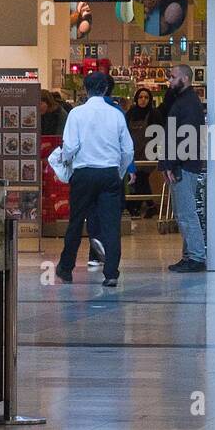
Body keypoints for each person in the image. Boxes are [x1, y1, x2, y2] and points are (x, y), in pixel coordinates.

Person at [54, 72, 133, 287]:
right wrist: (119, 172)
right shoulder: (116, 114)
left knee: (76, 221)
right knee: (111, 225)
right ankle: (111, 273)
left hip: (84, 173)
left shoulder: (77, 114)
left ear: (85, 90)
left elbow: (69, 146)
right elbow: (128, 149)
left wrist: (67, 162)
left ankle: (66, 268)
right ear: (106, 89)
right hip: (109, 173)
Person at [161, 64, 206, 272]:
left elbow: (184, 137)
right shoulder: (184, 101)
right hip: (183, 164)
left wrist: (171, 164)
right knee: (183, 213)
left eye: (173, 77)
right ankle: (189, 255)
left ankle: (196, 256)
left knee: (186, 213)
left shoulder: (188, 103)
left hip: (184, 166)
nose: (169, 81)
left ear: (185, 78)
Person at [126, 87, 161, 216]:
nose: (143, 100)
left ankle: (137, 206)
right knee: (136, 180)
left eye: (146, 97)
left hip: (148, 152)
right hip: (132, 152)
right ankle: (144, 205)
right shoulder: (130, 114)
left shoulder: (154, 114)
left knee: (141, 178)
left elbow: (159, 133)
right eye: (140, 97)